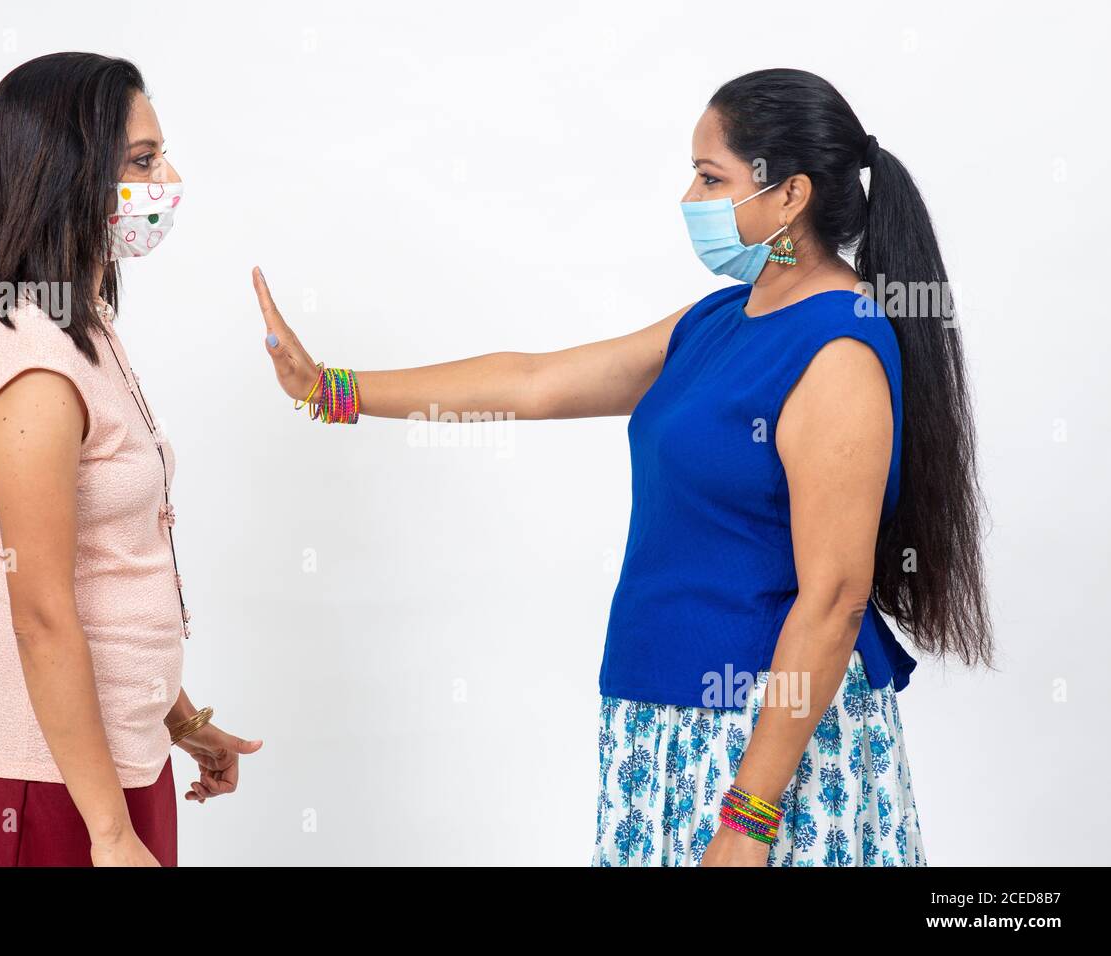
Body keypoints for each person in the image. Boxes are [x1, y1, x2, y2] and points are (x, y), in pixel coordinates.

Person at [254, 68, 992, 867]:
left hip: (764, 751)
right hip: (664, 726)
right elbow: (533, 382)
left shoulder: (836, 348)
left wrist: (748, 818)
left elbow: (836, 599)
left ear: (789, 197)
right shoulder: (720, 319)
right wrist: (332, 389)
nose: (690, 198)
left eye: (712, 177)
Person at [0, 52, 261, 867]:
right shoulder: (34, 364)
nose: (168, 177)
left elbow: (107, 573)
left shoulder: (86, 330)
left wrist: (176, 717)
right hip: (40, 781)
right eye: (142, 161)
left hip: (114, 764)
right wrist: (109, 835)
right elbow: (41, 612)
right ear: (67, 177)